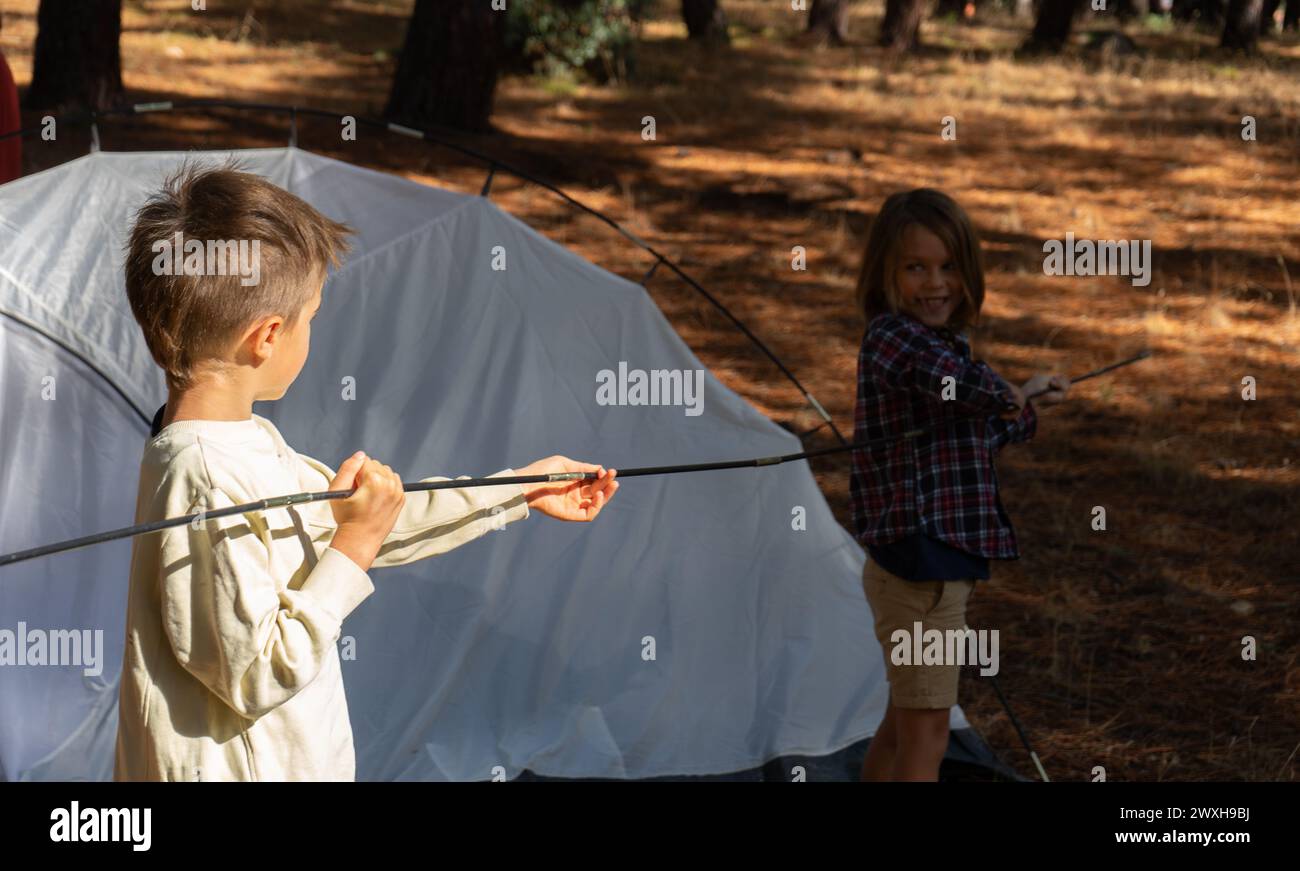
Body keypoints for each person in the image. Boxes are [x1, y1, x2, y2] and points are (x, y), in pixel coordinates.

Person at [114, 162, 619, 781]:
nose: (312, 333)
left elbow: (370, 524)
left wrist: (521, 488)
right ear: (267, 336)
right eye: (312, 316)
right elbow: (253, 672)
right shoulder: (202, 472)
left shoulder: (242, 442)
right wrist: (352, 543)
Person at [849, 188, 1069, 782]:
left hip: (935, 570)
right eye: (915, 267)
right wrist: (1004, 392)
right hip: (921, 571)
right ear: (886, 274)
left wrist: (1025, 404)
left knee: (904, 718)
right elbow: (952, 382)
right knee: (930, 730)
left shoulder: (948, 350)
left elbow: (975, 436)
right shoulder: (895, 340)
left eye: (948, 267)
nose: (935, 283)